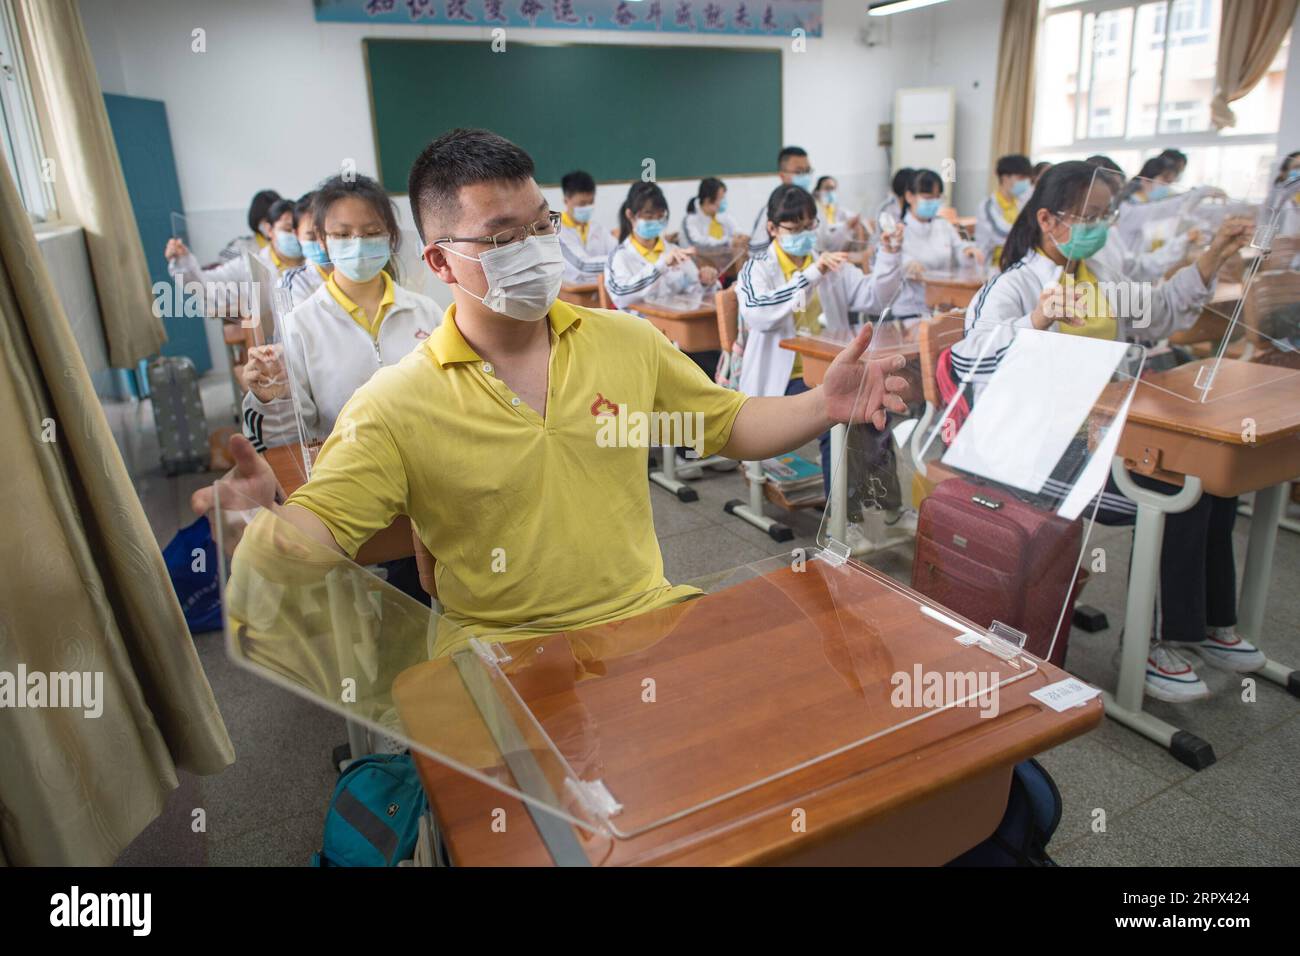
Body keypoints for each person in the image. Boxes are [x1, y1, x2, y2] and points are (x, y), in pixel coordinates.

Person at [196, 127, 909, 642]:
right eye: (505, 238)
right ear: (440, 264)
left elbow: (727, 426)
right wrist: (261, 528)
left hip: (647, 620)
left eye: (544, 226)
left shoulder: (624, 340)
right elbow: (323, 528)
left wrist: (823, 404)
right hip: (499, 650)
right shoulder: (395, 401)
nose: (537, 250)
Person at [949, 160, 1259, 702]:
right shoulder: (1014, 286)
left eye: (1104, 216)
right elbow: (967, 363)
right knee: (1173, 494)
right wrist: (1037, 321)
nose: (1099, 227)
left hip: (1096, 438)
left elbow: (1161, 312)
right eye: (1087, 216)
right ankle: (1156, 647)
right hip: (1035, 457)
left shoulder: (1101, 279)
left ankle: (1210, 622)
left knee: (1211, 478)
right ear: (1048, 220)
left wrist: (1216, 255)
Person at [240, 173, 439, 451]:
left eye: (371, 233)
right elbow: (285, 440)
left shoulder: (426, 312)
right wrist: (271, 400)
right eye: (342, 235)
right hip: (349, 475)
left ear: (391, 237)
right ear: (322, 240)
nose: (357, 243)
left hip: (427, 463)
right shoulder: (300, 325)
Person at [735, 183, 905, 497]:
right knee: (837, 422)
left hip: (832, 372)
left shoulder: (830, 266)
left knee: (875, 408)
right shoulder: (757, 269)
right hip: (786, 379)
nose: (805, 234)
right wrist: (810, 275)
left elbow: (875, 297)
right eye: (794, 227)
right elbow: (759, 313)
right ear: (772, 228)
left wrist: (890, 254)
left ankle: (890, 507)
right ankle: (840, 521)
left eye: (810, 226)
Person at [606, 181, 722, 376]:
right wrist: (661, 266)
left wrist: (705, 281)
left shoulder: (673, 251)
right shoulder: (621, 256)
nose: (655, 222)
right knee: (688, 369)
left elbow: (694, 295)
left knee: (712, 360)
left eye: (660, 217)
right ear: (630, 216)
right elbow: (621, 294)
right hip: (640, 337)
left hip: (677, 335)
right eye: (649, 216)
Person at [893, 168, 982, 319]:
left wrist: (968, 251)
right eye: (928, 197)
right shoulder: (898, 231)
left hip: (944, 305)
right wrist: (909, 265)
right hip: (910, 310)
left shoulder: (943, 225)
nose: (933, 202)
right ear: (909, 196)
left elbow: (959, 249)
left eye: (937, 198)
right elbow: (895, 263)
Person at [557, 169, 616, 285]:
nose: (587, 207)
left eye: (591, 202)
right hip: (571, 297)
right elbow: (582, 266)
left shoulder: (597, 229)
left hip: (597, 291)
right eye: (582, 203)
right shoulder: (557, 231)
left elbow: (619, 250)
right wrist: (624, 260)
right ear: (566, 200)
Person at [975, 154, 1033, 267]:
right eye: (1021, 178)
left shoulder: (1020, 203)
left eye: (1027, 178)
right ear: (1005, 177)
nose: (1026, 182)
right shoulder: (988, 206)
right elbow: (1003, 234)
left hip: (1018, 264)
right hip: (994, 267)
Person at [278, 192, 331, 308]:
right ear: (296, 233)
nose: (321, 244)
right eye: (311, 237)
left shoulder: (358, 270)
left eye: (326, 235)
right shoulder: (290, 282)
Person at [680, 176, 747, 256]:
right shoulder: (690, 220)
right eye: (721, 198)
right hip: (696, 264)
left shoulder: (722, 215)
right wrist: (729, 242)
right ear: (708, 200)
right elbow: (699, 244)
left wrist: (740, 236)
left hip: (722, 262)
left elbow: (736, 230)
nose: (723, 202)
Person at [813, 175, 868, 251]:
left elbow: (854, 217)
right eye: (827, 188)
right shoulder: (814, 210)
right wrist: (846, 225)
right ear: (817, 192)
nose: (831, 192)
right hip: (823, 246)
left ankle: (861, 252)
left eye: (833, 189)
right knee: (848, 227)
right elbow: (823, 233)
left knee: (859, 224)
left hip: (835, 241)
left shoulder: (835, 208)